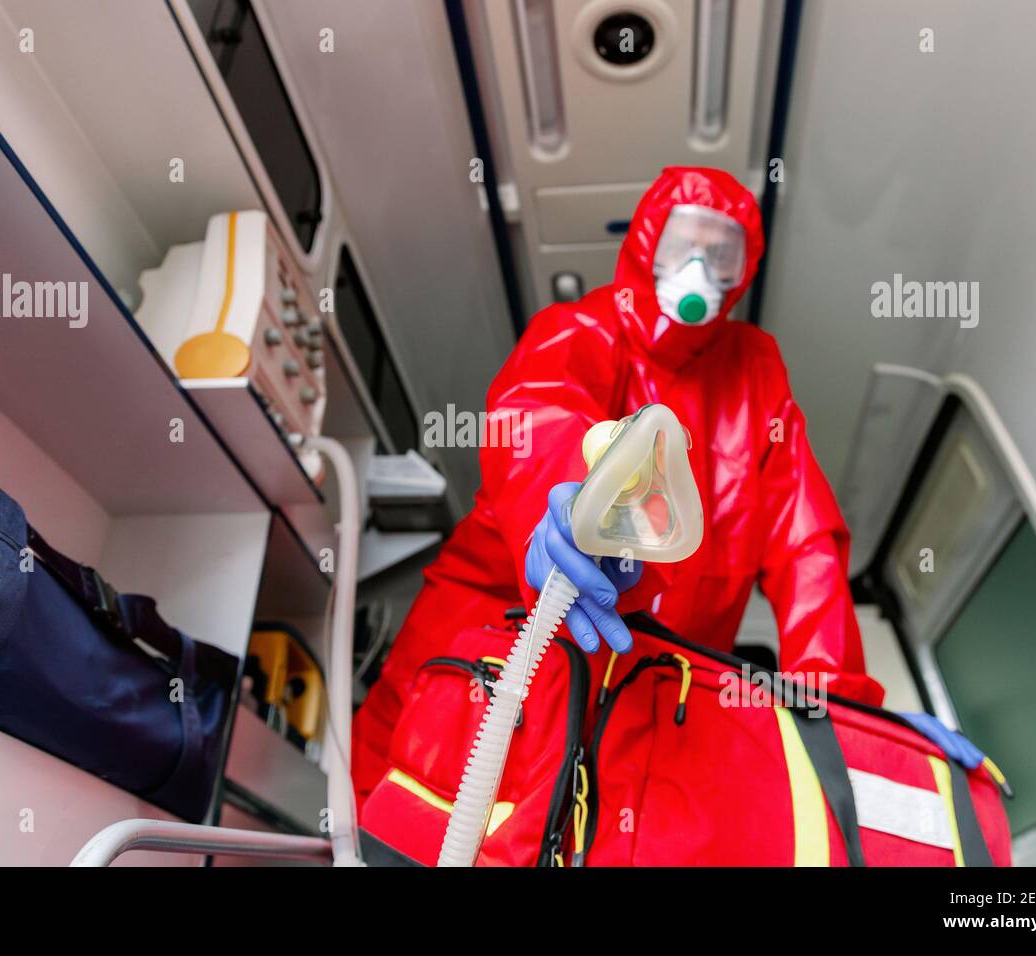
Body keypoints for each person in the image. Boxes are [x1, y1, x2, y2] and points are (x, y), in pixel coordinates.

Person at [352, 166, 977, 804]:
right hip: (501, 611)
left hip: (656, 670)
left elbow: (804, 543)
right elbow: (534, 414)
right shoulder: (584, 329)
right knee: (402, 796)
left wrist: (843, 714)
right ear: (648, 241)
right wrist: (571, 506)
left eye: (721, 254)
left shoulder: (755, 371)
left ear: (744, 270)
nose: (700, 268)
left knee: (594, 824)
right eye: (685, 244)